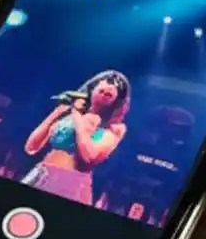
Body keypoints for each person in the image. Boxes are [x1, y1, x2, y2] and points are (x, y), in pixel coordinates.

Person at [23, 70, 131, 205]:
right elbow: (31, 147)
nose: (105, 92)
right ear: (93, 88)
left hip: (70, 184)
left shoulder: (114, 128)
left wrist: (78, 115)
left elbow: (89, 156)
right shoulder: (68, 113)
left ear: (117, 100)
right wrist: (58, 112)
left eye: (111, 92)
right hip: (41, 174)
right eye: (103, 88)